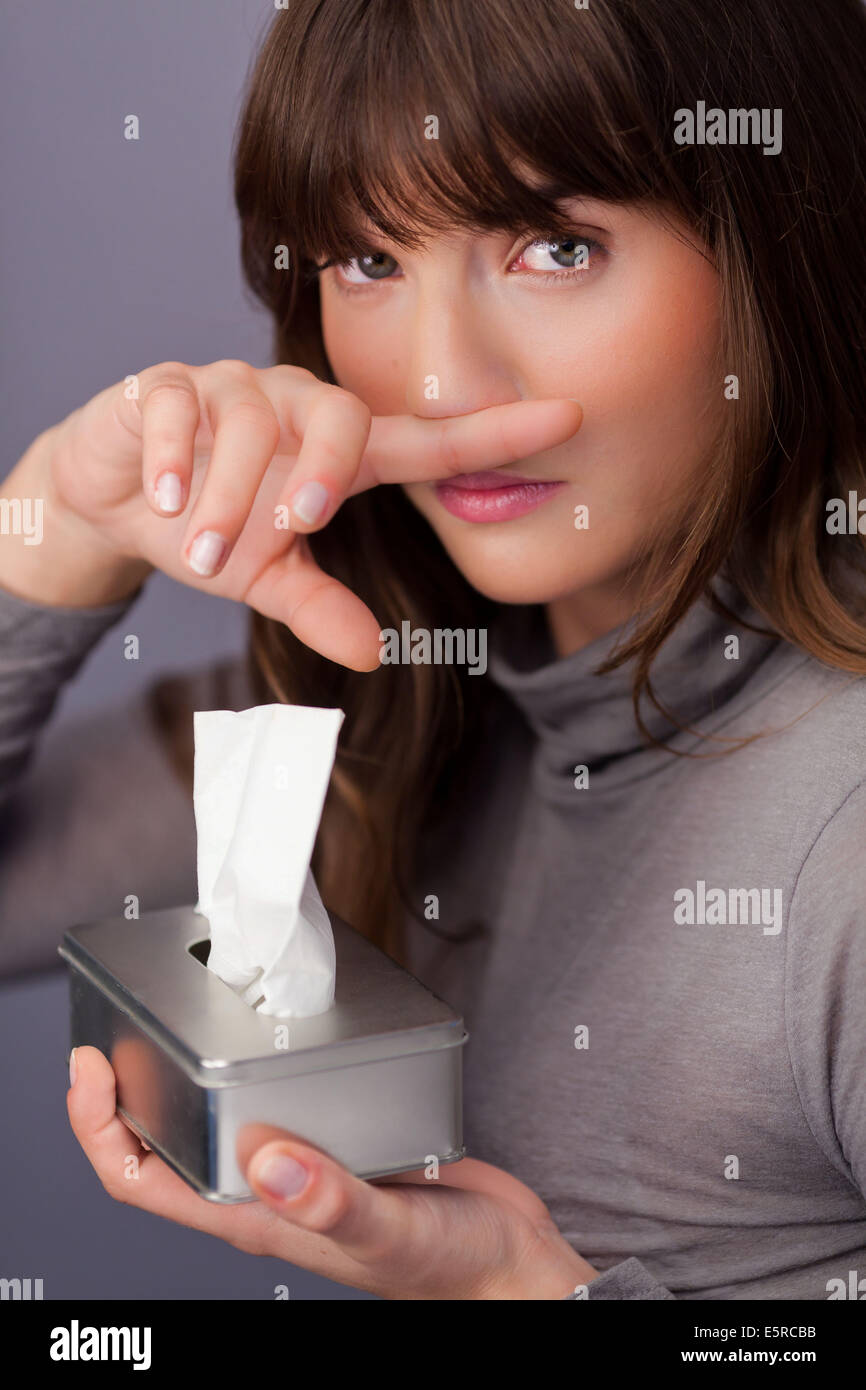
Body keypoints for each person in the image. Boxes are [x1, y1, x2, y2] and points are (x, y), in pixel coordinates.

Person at [2, 0, 865, 1300]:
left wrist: (519, 1295)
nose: (437, 379)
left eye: (555, 247)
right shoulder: (390, 689)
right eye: (364, 259)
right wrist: (52, 529)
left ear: (779, 240)